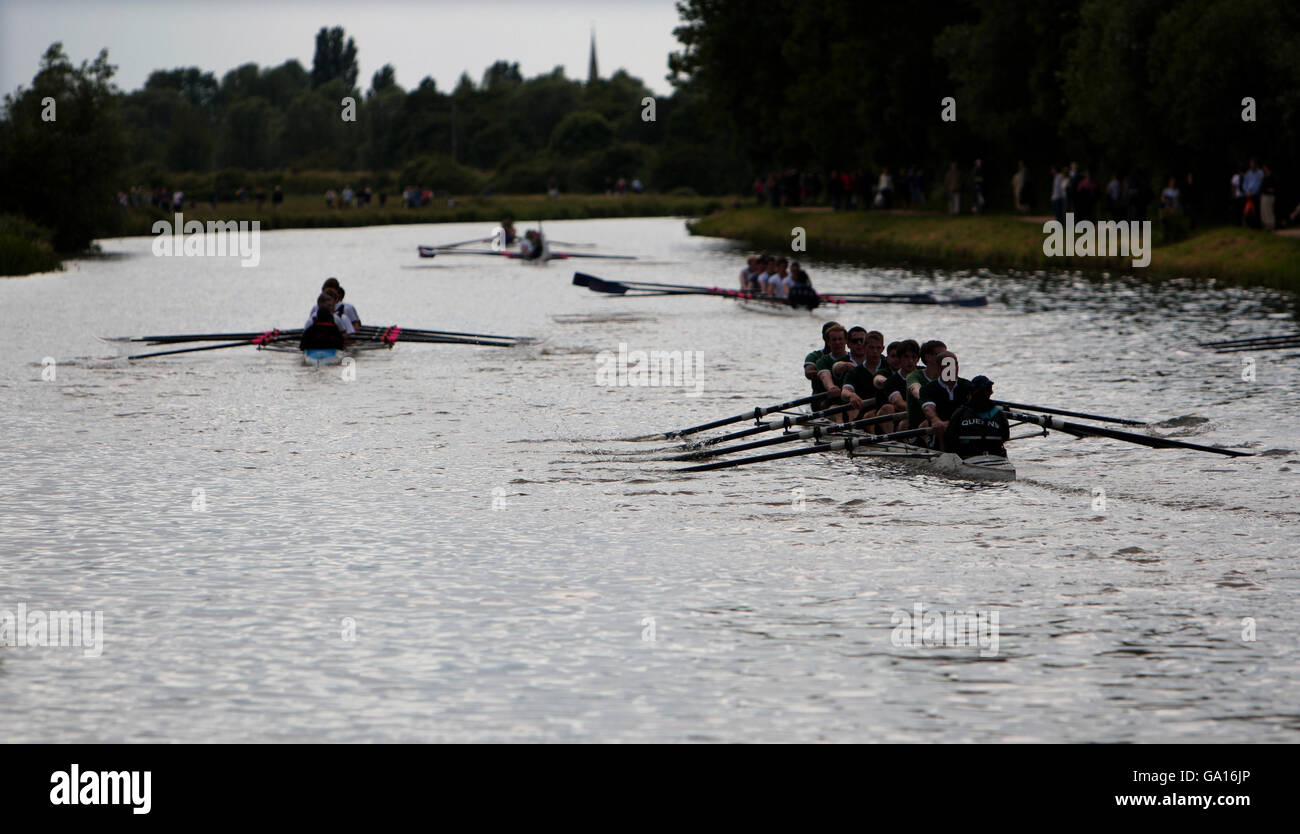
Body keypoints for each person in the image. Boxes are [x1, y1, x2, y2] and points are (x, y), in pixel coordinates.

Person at [943, 376, 1009, 459]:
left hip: (989, 457)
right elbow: (1005, 436)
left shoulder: (960, 412)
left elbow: (1005, 436)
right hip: (972, 457)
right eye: (988, 390)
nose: (991, 392)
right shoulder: (998, 413)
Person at [919, 351, 972, 451]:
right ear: (938, 368)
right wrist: (935, 420)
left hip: (964, 426)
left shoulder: (968, 386)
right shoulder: (928, 389)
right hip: (941, 429)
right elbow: (928, 408)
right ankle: (943, 452)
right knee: (940, 427)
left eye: (954, 364)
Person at [803, 321, 842, 410]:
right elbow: (809, 373)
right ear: (825, 338)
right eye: (834, 338)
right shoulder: (815, 357)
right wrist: (830, 373)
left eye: (839, 338)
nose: (837, 342)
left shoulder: (848, 358)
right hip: (820, 398)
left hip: (843, 397)